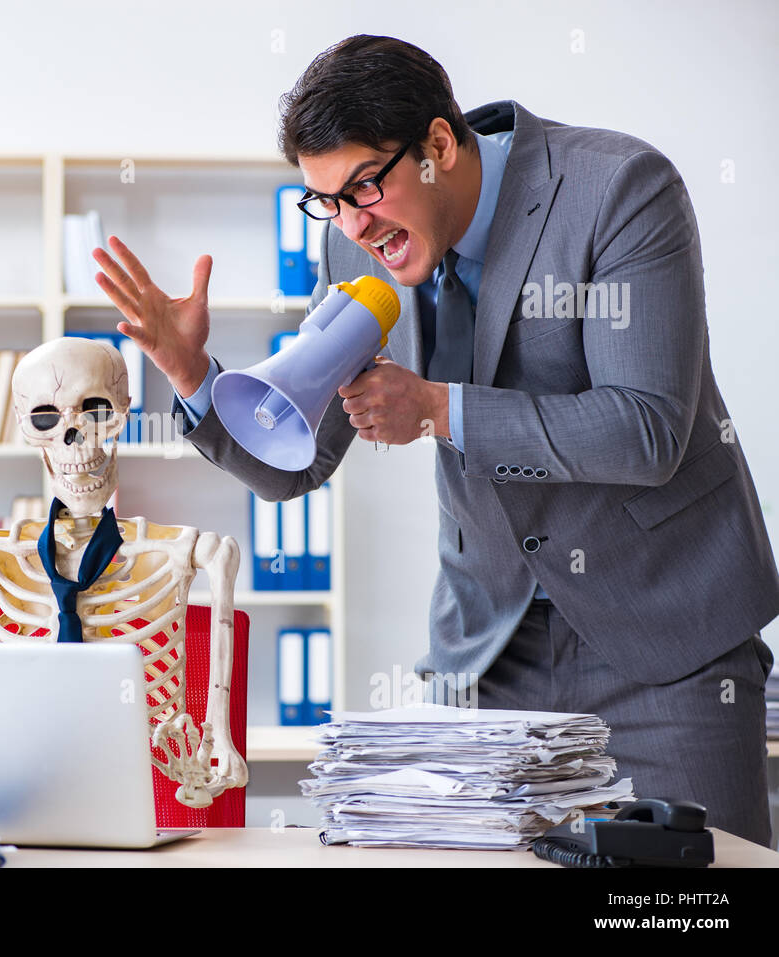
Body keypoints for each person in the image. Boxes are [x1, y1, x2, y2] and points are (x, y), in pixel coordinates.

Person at [92, 34, 779, 847]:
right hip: (486, 658)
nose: (353, 222)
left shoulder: (619, 189)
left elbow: (647, 428)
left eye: (364, 187)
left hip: (666, 644)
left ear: (439, 146)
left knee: (691, 901)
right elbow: (299, 462)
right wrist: (195, 374)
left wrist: (439, 409)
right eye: (326, 201)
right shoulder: (353, 243)